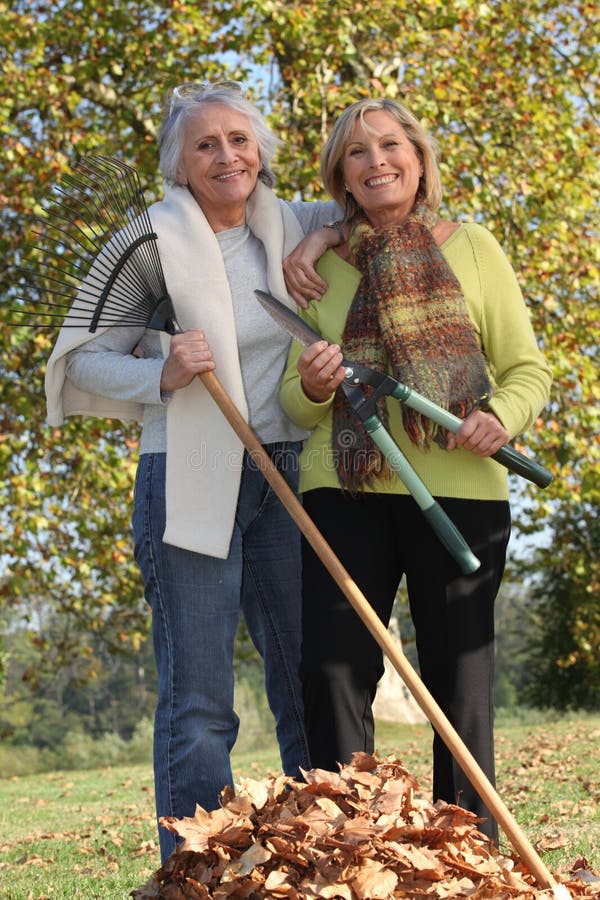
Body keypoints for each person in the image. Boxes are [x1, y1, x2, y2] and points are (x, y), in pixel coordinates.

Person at [44, 81, 341, 862]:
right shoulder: (147, 243)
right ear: (178, 162)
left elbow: (363, 207)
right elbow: (81, 360)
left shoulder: (295, 224)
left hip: (283, 473)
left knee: (306, 677)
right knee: (202, 696)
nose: (226, 155)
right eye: (205, 143)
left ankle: (324, 853)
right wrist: (162, 372)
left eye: (239, 139)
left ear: (262, 150)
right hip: (191, 468)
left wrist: (310, 245)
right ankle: (198, 868)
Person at [280, 97, 552, 843]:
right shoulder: (320, 267)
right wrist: (310, 385)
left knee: (458, 681)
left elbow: (528, 369)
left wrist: (502, 417)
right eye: (356, 154)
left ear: (420, 158)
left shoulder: (474, 248)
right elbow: (288, 400)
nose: (377, 162)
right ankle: (347, 846)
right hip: (343, 488)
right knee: (332, 672)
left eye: (390, 145)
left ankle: (464, 852)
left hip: (460, 488)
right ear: (341, 176)